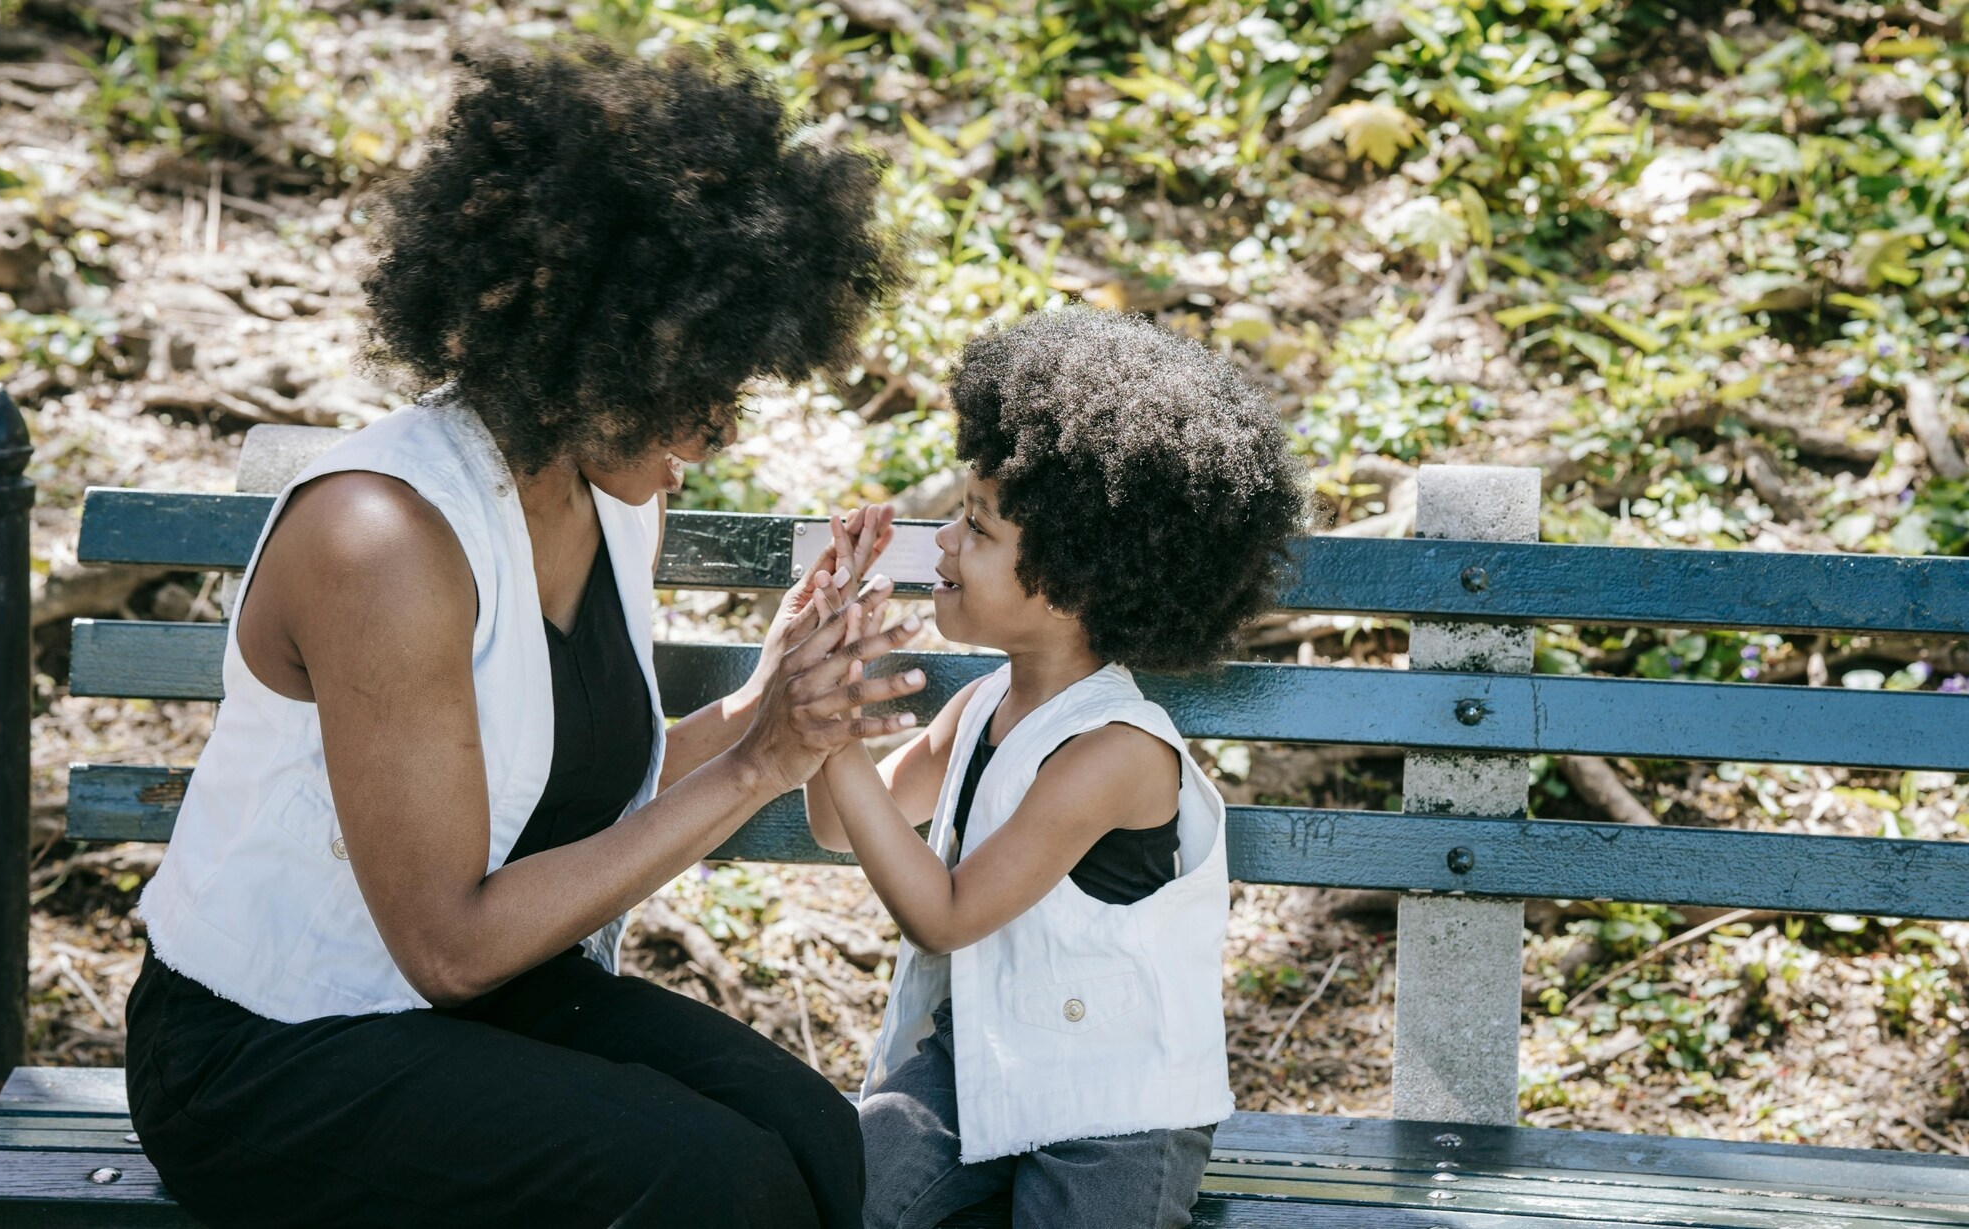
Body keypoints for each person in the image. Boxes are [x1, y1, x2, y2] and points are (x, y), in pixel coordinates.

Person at [125, 40, 919, 1229]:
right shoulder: (380, 536)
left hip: (469, 1008)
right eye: (689, 380)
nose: (710, 428)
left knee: (818, 1145)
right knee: (714, 1186)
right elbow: (448, 944)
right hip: (271, 1048)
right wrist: (759, 763)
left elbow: (576, 792)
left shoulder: (606, 494)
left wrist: (767, 708)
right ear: (572, 332)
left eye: (731, 380)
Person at [803, 310, 1313, 1229]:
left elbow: (945, 912)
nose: (944, 544)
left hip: (1117, 1110)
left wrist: (835, 734)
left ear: (1074, 580)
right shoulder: (979, 706)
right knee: (841, 1194)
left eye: (976, 528)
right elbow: (842, 824)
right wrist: (830, 681)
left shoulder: (1116, 753)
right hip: (979, 1065)